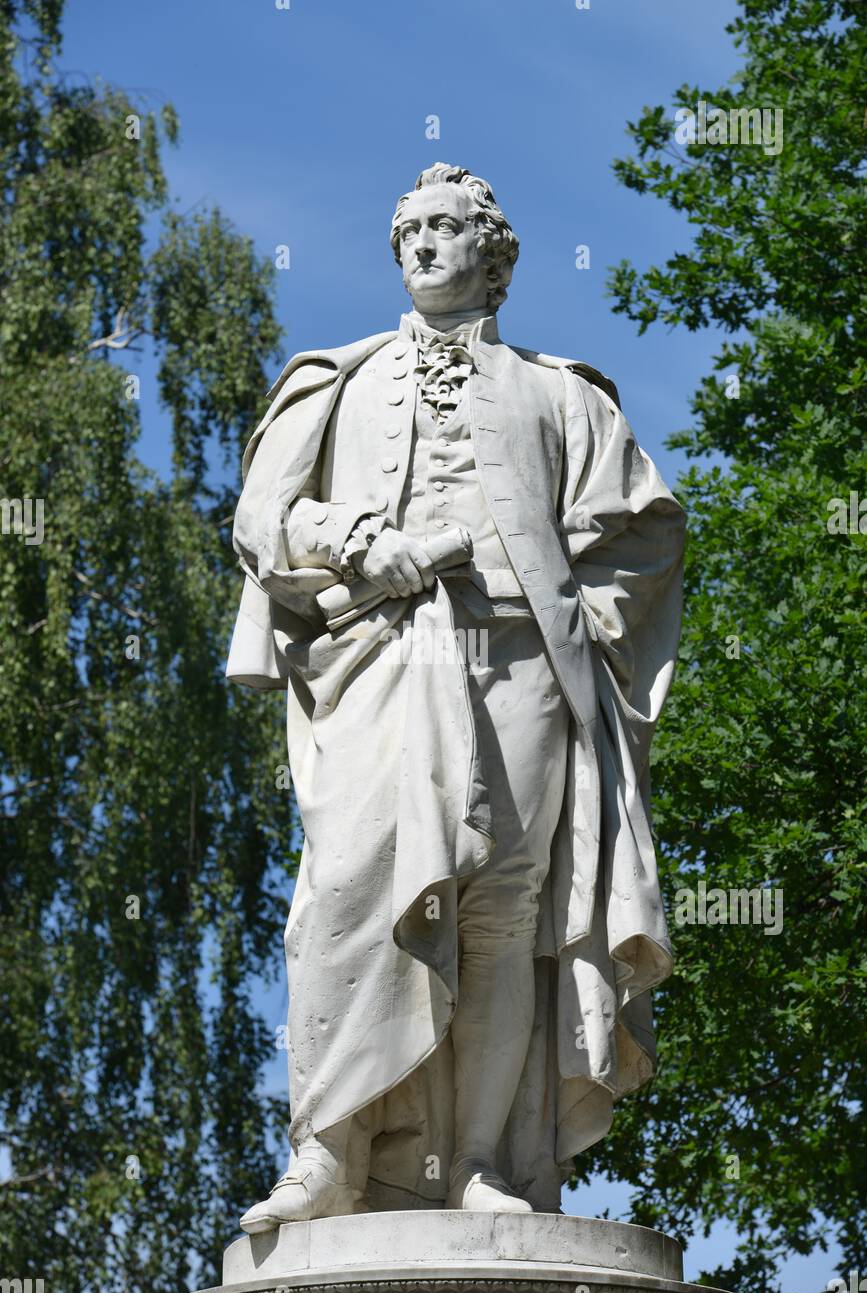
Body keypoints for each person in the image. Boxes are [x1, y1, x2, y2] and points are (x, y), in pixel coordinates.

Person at [226, 163, 685, 1230]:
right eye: (410, 232)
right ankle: (327, 1151)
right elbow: (263, 518)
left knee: (504, 909)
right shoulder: (335, 380)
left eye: (447, 229)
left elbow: (647, 530)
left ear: (497, 257)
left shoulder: (563, 394)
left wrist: (552, 587)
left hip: (520, 666)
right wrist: (355, 542)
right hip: (381, 660)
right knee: (347, 892)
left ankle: (483, 1163)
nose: (424, 247)